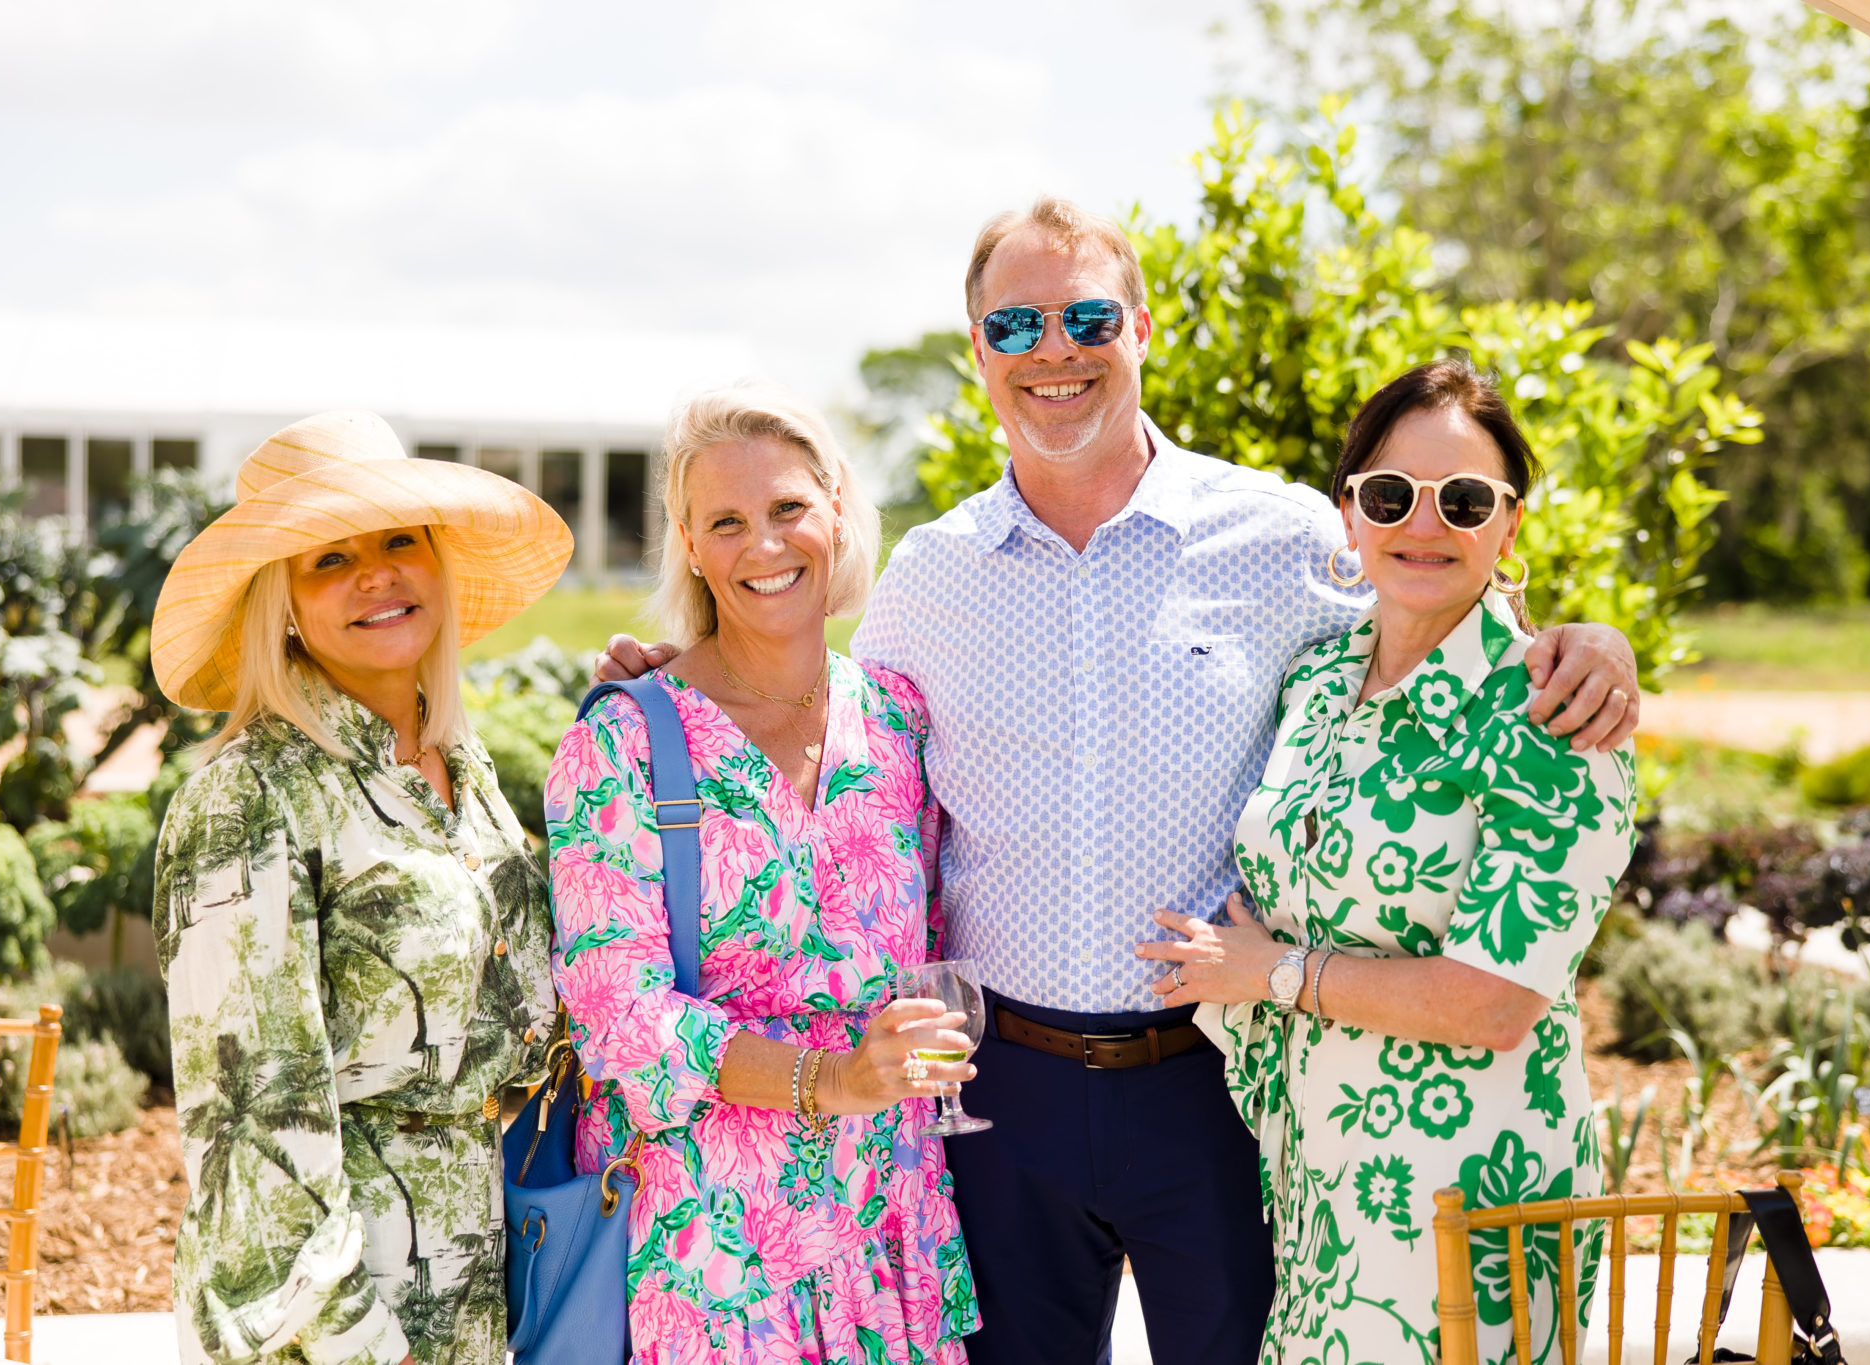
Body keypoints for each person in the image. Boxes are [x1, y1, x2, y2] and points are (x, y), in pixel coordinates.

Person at [597, 197, 1641, 1365]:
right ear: (976, 352)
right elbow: (813, 716)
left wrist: (1579, 640)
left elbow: (1429, 601)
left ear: (1140, 328)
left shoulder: (1286, 537)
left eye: (1088, 315)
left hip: (1218, 1087)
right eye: (1016, 325)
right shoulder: (926, 582)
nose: (1054, 350)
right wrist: (665, 678)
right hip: (1001, 1103)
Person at [1138, 359, 1638, 1365]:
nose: (1423, 523)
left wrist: (1272, 975)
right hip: (1313, 1186)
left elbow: (1495, 1001)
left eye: (1462, 500)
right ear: (1348, 515)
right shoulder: (1315, 682)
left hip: (1464, 1204)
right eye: (1389, 495)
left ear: (1509, 527)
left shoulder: (1549, 717)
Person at [547, 385, 979, 1364]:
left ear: (835, 507)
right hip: (714, 1257)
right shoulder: (623, 741)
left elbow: (935, 943)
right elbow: (621, 1019)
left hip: (890, 1231)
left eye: (787, 508)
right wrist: (830, 1080)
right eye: (725, 523)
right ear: (691, 548)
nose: (764, 545)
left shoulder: (898, 721)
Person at [149, 411, 569, 1365]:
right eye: (327, 560)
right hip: (333, 1329)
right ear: (280, 603)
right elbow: (255, 1126)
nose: (376, 573)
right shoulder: (249, 794)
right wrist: (366, 1348)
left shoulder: (461, 766)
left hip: (476, 1289)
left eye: (396, 540)